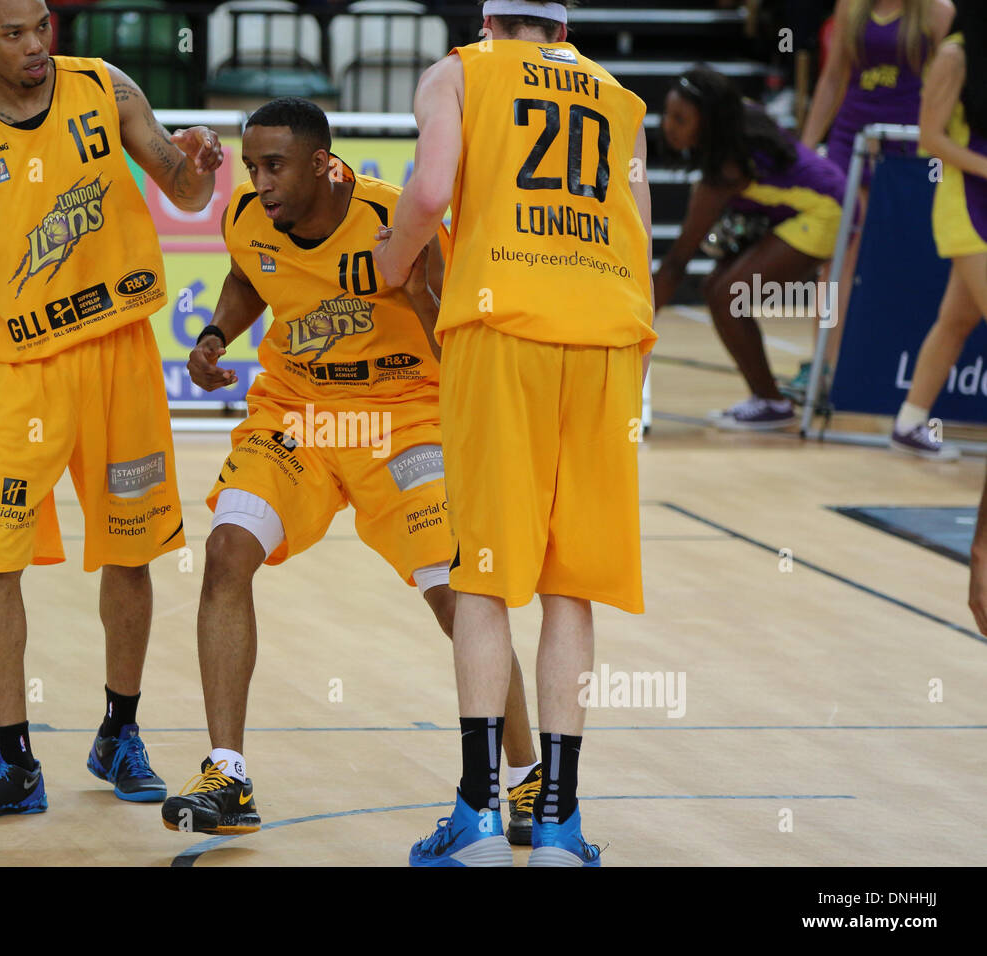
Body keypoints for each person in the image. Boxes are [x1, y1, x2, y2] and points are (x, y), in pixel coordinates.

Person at [162, 97, 543, 842]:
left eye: (274, 166)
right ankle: (227, 776)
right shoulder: (246, 216)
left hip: (402, 420)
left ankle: (528, 780)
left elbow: (459, 333)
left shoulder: (399, 218)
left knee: (459, 599)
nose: (259, 181)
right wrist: (214, 334)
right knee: (225, 553)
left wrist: (419, 289)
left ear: (320, 163)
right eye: (251, 166)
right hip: (296, 415)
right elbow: (251, 274)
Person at [0, 0, 223, 818]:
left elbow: (180, 185)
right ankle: (14, 763)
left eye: (43, 26)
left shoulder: (106, 88)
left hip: (119, 354)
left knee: (131, 552)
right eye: (14, 33)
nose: (36, 45)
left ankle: (120, 731)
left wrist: (199, 163)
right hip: (17, 372)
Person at [376, 0, 656, 866]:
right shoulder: (617, 95)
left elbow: (427, 191)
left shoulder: (458, 71)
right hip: (609, 335)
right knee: (570, 584)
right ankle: (564, 826)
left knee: (486, 574)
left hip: (505, 331)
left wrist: (390, 261)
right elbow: (639, 238)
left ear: (487, 17)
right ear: (562, 28)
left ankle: (478, 817)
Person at [655, 65, 845, 429]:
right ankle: (766, 398)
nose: (669, 126)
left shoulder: (726, 167)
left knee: (729, 295)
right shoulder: (732, 117)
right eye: (668, 115)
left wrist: (639, 327)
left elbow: (678, 260)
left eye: (681, 119)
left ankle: (772, 403)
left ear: (708, 121)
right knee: (714, 289)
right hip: (805, 206)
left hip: (825, 211)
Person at [792, 0, 953, 400]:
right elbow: (832, 79)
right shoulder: (852, 6)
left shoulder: (938, 11)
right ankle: (822, 366)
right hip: (852, 138)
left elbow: (946, 85)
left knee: (903, 257)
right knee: (837, 256)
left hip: (909, 143)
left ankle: (899, 370)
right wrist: (807, 149)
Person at [890, 6, 987, 459]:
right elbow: (929, 137)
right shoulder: (954, 54)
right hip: (967, 206)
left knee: (956, 318)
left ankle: (910, 422)